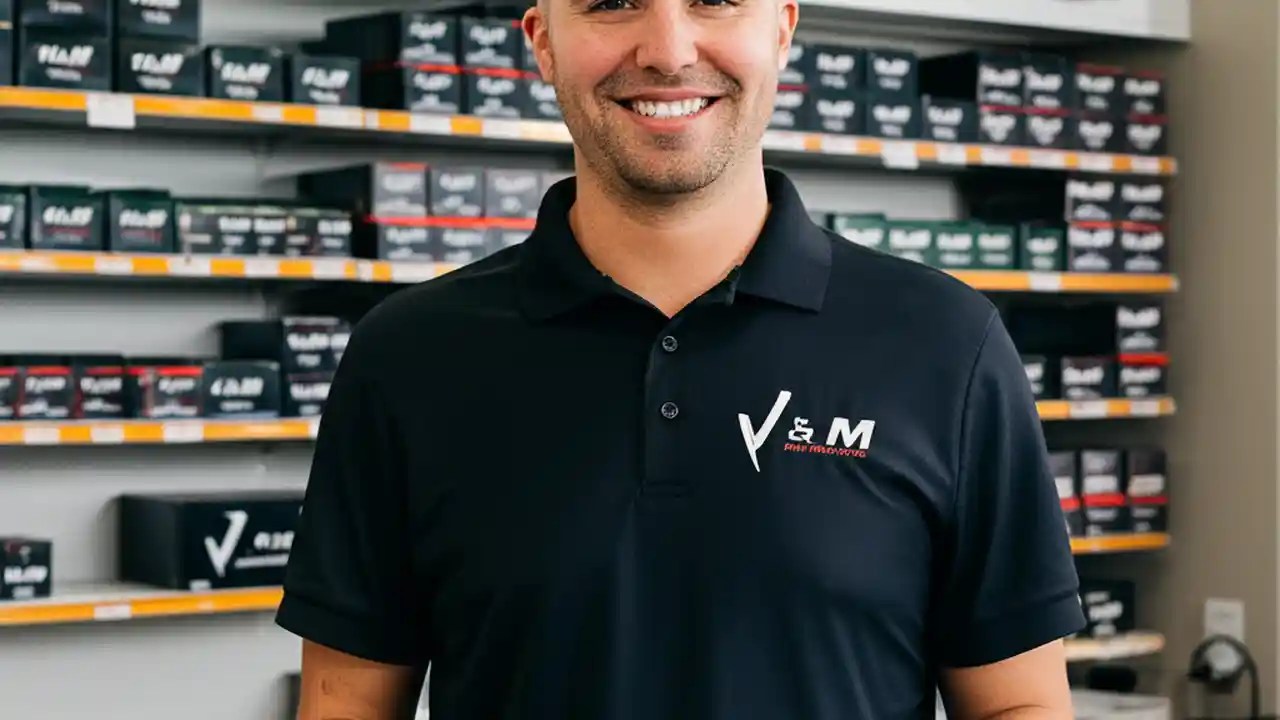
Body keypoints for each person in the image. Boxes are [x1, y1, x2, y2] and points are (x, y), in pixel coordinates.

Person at [276, 0, 1086, 716]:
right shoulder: (409, 355)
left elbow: (1016, 702)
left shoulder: (945, 343)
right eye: (613, 2)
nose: (668, 49)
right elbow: (345, 701)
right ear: (542, 41)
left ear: (782, 27)